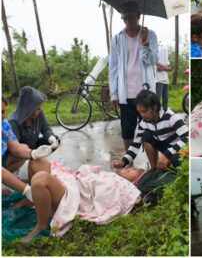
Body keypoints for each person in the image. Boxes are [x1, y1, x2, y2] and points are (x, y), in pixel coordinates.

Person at [18, 160, 175, 243]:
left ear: (138, 177)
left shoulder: (124, 186)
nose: (128, 168)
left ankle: (41, 224)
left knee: (40, 179)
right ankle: (35, 200)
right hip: (73, 182)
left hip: (72, 194)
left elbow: (103, 196)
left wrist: (87, 180)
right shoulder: (112, 176)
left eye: (132, 170)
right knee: (36, 162)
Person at [109, 1, 159, 151]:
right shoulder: (117, 38)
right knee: (127, 129)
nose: (128, 21)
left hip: (145, 92)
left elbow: (153, 60)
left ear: (138, 16)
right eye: (125, 18)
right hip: (126, 93)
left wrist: (144, 44)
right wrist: (114, 93)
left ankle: (154, 165)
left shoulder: (150, 35)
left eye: (131, 17)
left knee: (151, 129)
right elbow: (113, 66)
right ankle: (129, 163)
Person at [111, 89, 188, 170]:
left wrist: (167, 154)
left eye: (144, 111)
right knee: (146, 136)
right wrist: (123, 161)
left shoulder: (171, 117)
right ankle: (154, 170)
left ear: (155, 107)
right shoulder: (144, 122)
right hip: (164, 147)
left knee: (177, 163)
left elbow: (187, 138)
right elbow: (135, 144)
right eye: (139, 112)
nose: (142, 115)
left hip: (179, 150)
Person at [2, 97, 52, 201]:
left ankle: (34, 192)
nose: (2, 116)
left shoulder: (4, 125)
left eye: (2, 112)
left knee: (28, 152)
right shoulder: (14, 119)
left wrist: (33, 153)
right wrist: (25, 189)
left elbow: (16, 146)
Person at [8, 86, 59, 152]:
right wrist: (31, 154)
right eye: (32, 110)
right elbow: (15, 147)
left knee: (56, 139)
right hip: (21, 152)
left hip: (33, 146)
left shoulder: (39, 113)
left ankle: (39, 159)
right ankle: (34, 160)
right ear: (25, 107)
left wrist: (50, 137)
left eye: (38, 109)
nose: (36, 113)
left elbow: (45, 127)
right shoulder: (13, 122)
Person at [156, 45, 172, 112]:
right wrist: (165, 68)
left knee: (166, 98)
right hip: (158, 80)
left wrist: (165, 68)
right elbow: (158, 69)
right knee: (158, 98)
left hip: (166, 80)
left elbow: (170, 68)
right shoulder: (156, 59)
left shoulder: (166, 59)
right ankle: (157, 112)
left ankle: (164, 112)